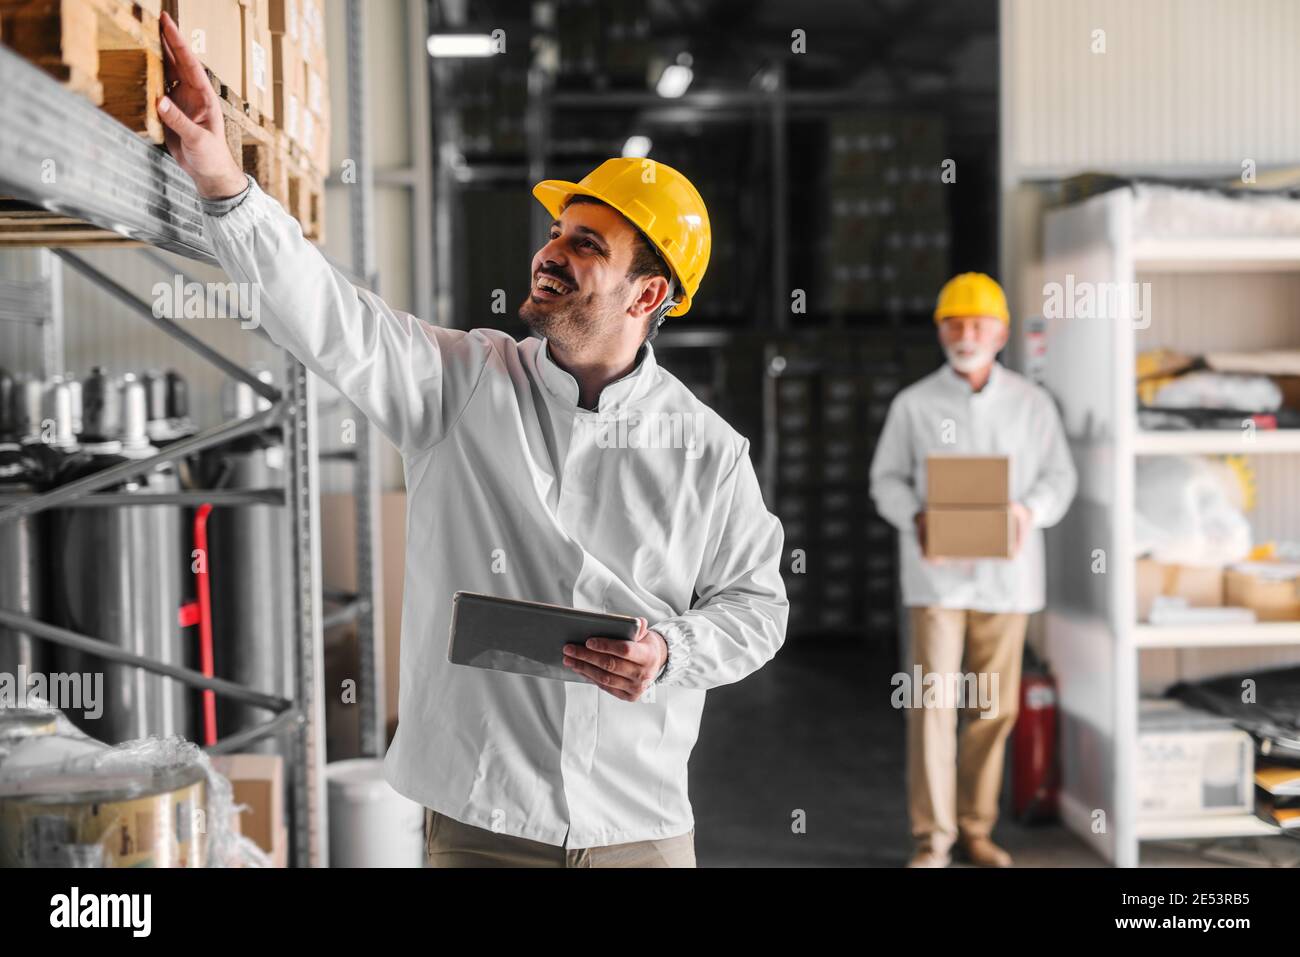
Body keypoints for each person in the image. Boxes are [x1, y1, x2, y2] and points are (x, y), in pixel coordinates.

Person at [155, 12, 787, 868]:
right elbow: (333, 320)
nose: (550, 251)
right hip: (483, 820)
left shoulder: (709, 451)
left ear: (646, 295)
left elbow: (757, 607)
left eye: (585, 244)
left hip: (639, 826)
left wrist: (674, 651)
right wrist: (228, 185)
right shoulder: (462, 383)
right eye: (558, 231)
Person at [869, 272, 1076, 868]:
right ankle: (932, 840)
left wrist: (1024, 512)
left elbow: (1059, 479)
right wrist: (917, 517)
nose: (966, 334)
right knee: (932, 706)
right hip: (936, 579)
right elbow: (885, 480)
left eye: (978, 324)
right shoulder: (915, 404)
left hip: (1006, 581)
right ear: (940, 331)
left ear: (1002, 332)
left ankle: (977, 827)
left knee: (993, 707)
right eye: (954, 323)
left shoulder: (1031, 405)